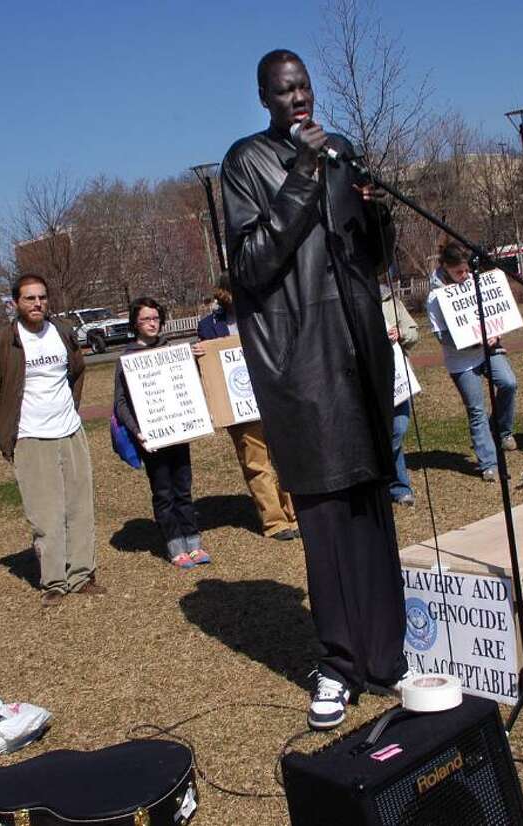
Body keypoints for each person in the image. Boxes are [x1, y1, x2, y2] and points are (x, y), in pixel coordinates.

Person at [221, 48, 409, 730]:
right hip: (300, 358)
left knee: (370, 505)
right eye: (283, 90)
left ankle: (388, 656)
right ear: (265, 99)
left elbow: (370, 256)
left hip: (358, 349)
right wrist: (301, 174)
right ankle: (337, 664)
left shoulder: (343, 150)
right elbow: (251, 261)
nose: (297, 97)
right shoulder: (246, 162)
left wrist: (378, 214)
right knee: (326, 515)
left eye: (302, 86)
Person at [0, 274, 103, 607]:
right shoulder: (2, 343)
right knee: (46, 514)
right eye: (30, 298)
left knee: (80, 507)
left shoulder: (61, 332)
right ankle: (55, 581)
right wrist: (8, 424)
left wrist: (69, 411)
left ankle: (82, 575)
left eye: (42, 297)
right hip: (31, 438)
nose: (37, 304)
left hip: (70, 432)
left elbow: (76, 371)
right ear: (15, 303)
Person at [193, 278, 299, 541]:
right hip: (239, 408)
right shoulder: (209, 327)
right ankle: (274, 522)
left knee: (286, 458)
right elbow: (209, 370)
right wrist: (199, 354)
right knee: (256, 463)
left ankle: (296, 515)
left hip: (273, 400)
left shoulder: (265, 315)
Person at [113, 297, 211, 569]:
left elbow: (187, 385)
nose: (151, 323)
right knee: (163, 491)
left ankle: (193, 540)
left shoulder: (172, 349)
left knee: (183, 488)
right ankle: (174, 544)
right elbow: (120, 403)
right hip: (152, 437)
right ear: (135, 323)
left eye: (155, 318)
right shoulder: (127, 357)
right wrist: (137, 432)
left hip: (177, 433)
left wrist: (194, 359)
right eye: (145, 319)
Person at [425, 242, 519, 481]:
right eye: (459, 272)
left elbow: (495, 310)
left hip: (489, 350)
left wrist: (497, 332)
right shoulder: (435, 297)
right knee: (476, 410)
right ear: (445, 267)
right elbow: (441, 336)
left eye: (467, 271)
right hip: (461, 363)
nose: (465, 276)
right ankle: (488, 463)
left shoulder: (474, 282)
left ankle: (501, 430)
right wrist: (474, 341)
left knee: (508, 383)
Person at [382, 275, 420, 506]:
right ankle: (400, 488)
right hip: (365, 381)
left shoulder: (389, 301)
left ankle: (387, 479)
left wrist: (400, 333)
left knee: (398, 428)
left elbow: (414, 332)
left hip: (396, 378)